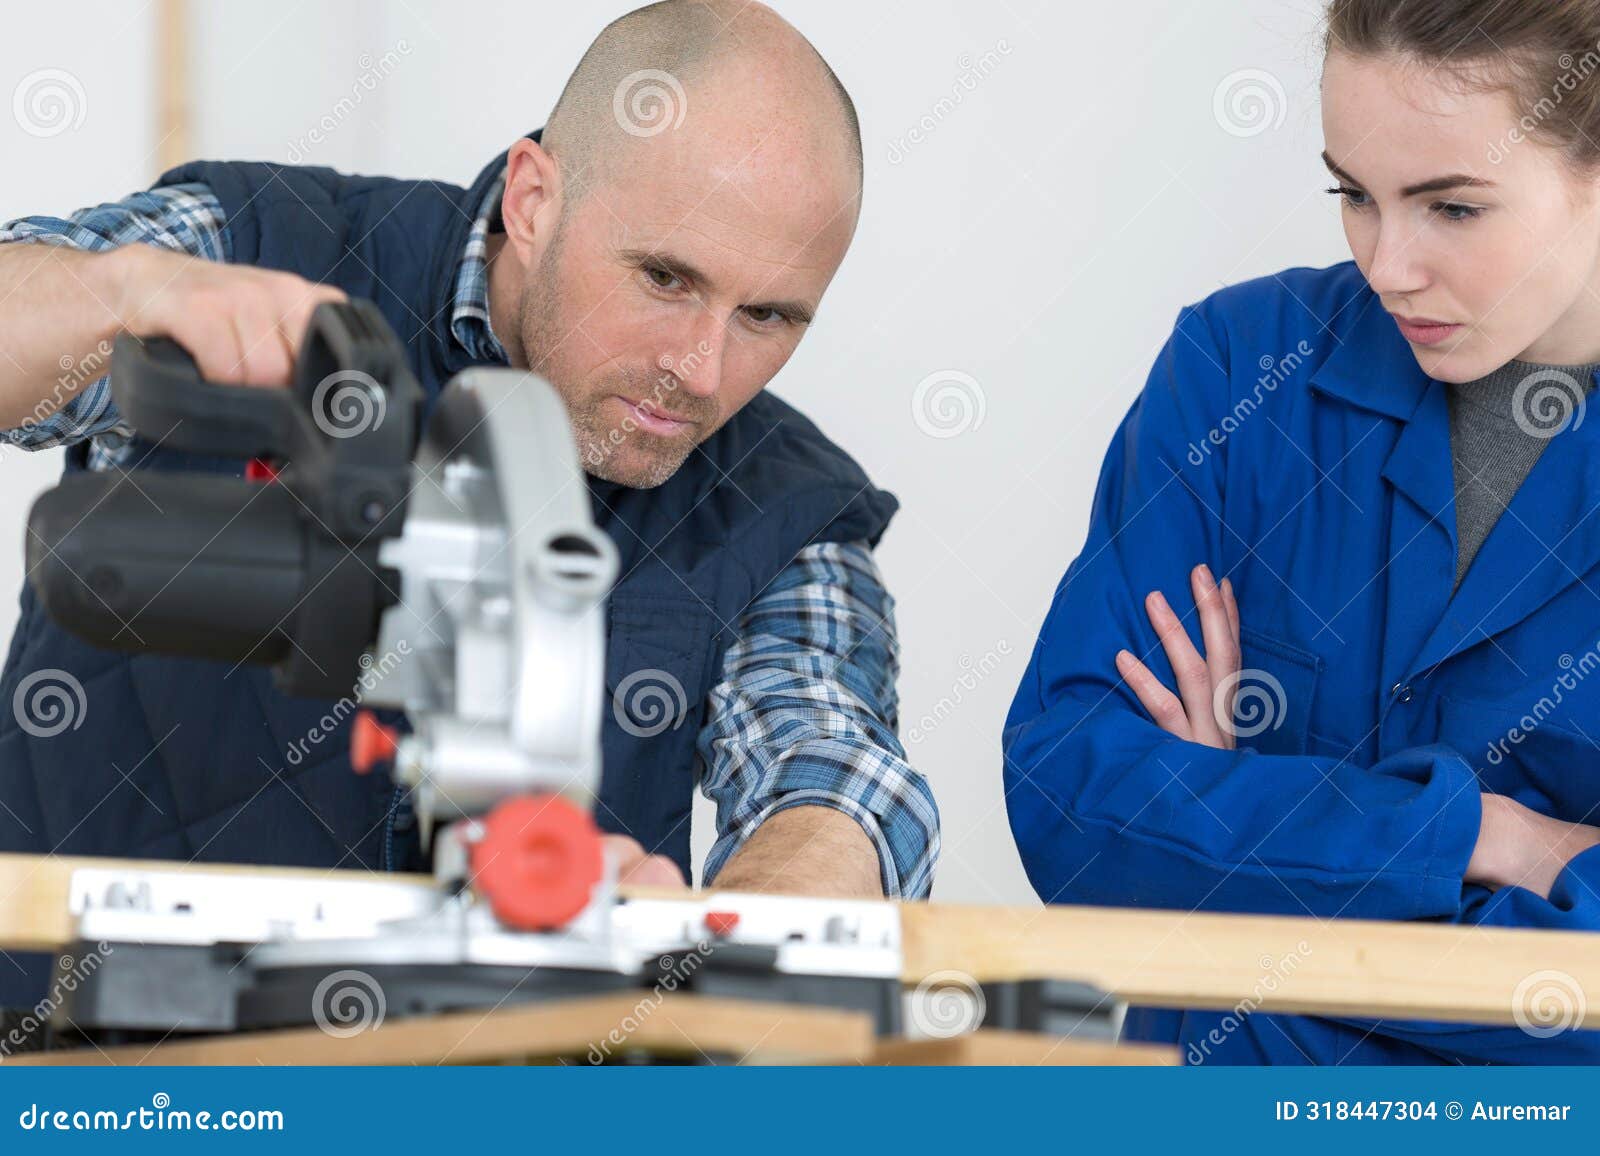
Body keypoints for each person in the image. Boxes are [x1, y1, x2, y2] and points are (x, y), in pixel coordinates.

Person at [0, 0, 939, 1003]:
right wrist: (121, 298)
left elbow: (836, 784)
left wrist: (719, 945)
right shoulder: (262, 241)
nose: (699, 372)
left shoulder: (786, 505)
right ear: (533, 198)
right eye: (665, 277)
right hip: (76, 1057)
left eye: (767, 314)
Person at [1005, 0, 1600, 1064]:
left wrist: (1225, 854)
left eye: (1451, 208)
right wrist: (1475, 836)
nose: (1387, 266)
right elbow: (1072, 796)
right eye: (1352, 194)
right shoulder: (1239, 366)